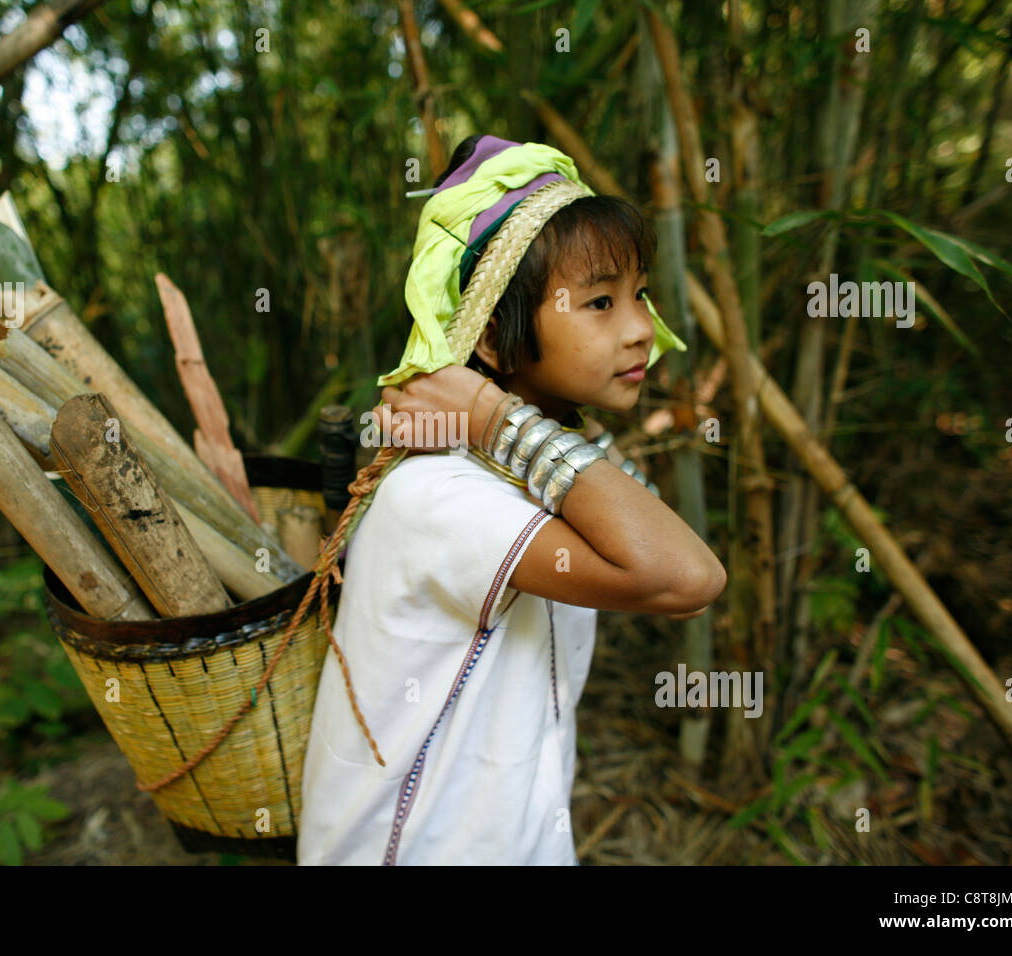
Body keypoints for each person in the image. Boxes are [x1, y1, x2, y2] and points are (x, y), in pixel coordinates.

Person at [296, 134, 726, 866]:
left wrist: (499, 418)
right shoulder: (441, 493)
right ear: (494, 339)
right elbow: (688, 578)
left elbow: (645, 532)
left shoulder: (528, 465)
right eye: (599, 301)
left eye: (640, 294)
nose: (639, 330)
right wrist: (494, 417)